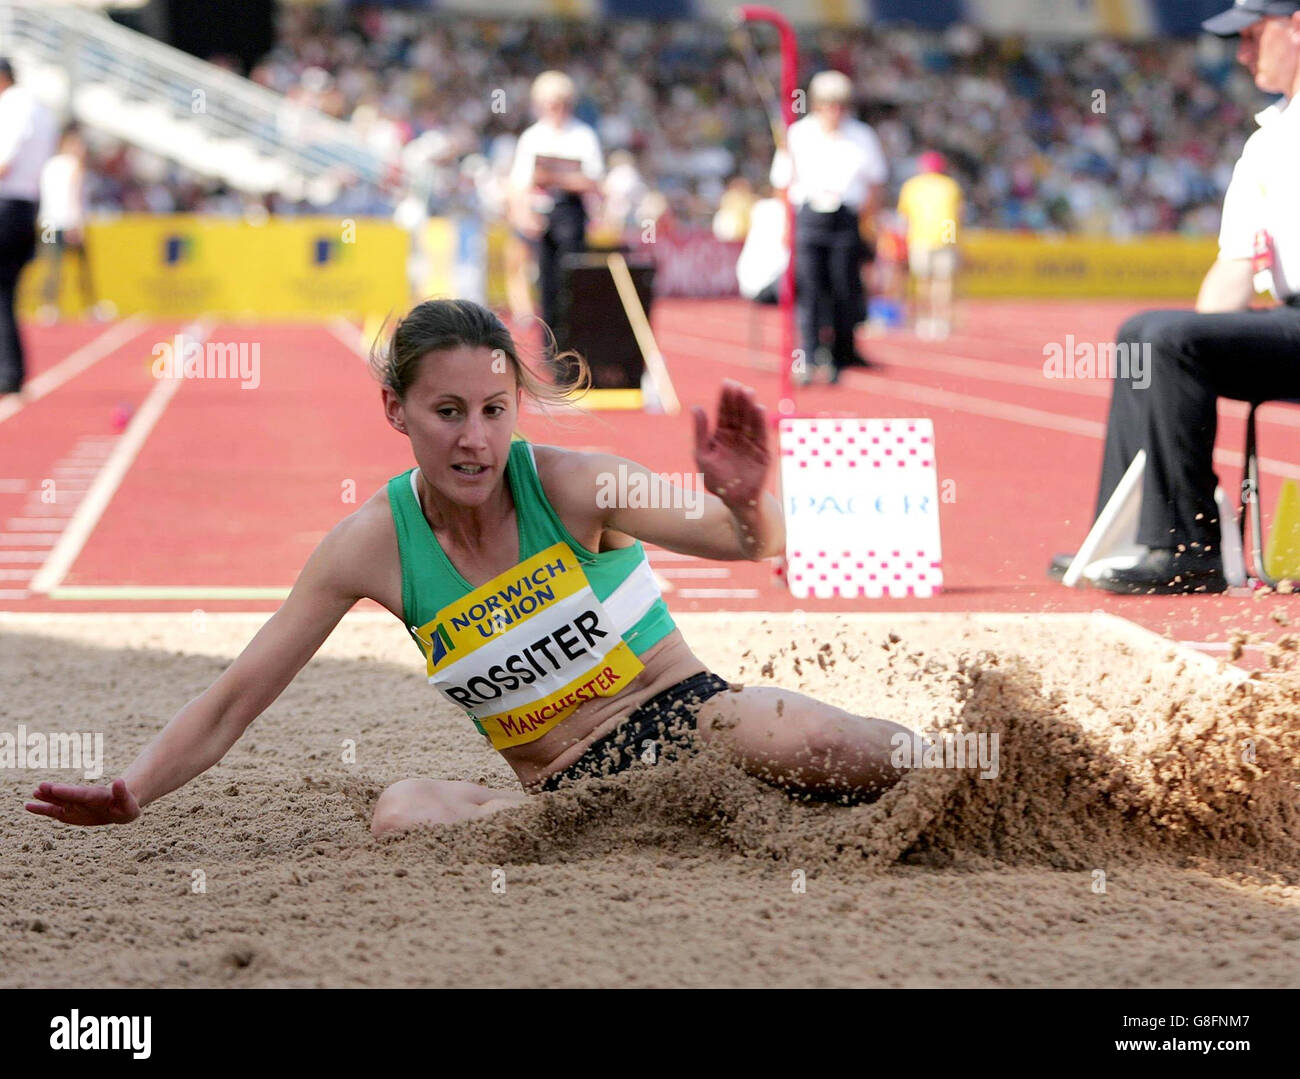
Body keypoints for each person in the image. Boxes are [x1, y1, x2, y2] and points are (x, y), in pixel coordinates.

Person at [25, 299, 913, 835]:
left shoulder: (575, 484)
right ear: (395, 409)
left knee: (813, 737)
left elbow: (753, 545)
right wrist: (132, 789)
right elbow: (235, 697)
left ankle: (973, 765)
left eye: (494, 408)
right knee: (403, 813)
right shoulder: (369, 546)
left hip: (691, 725)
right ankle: (667, 833)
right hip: (568, 800)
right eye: (446, 410)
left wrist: (750, 496)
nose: (475, 437)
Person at [1052, 2, 1300, 595]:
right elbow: (1234, 270)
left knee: (1169, 340)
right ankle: (1125, 539)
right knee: (1146, 334)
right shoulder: (1267, 141)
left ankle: (1187, 550)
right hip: (1292, 319)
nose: (1241, 53)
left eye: (1251, 35)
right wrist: (1193, 357)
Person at [771, 70, 886, 385]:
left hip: (846, 219)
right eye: (829, 104)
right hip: (809, 218)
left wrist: (867, 222)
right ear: (817, 105)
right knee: (809, 289)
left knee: (843, 288)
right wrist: (786, 225)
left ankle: (840, 354)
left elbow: (875, 183)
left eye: (841, 105)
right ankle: (808, 355)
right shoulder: (798, 135)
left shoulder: (862, 136)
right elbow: (782, 183)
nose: (835, 111)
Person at [507, 72, 604, 367]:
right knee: (548, 286)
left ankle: (576, 350)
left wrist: (552, 177)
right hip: (542, 218)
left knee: (574, 283)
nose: (554, 108)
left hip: (572, 217)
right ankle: (551, 353)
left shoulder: (583, 135)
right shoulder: (532, 137)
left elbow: (593, 180)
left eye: (559, 102)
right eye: (548, 102)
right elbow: (519, 184)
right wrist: (523, 215)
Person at [0, 58, 58, 396]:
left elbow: (4, 162)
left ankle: (9, 372)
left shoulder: (12, 107)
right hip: (26, 207)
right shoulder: (40, 109)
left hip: (6, 207)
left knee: (4, 294)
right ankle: (11, 371)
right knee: (6, 294)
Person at [897, 151, 962, 340]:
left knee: (924, 282)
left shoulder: (912, 186)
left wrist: (905, 240)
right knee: (943, 282)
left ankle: (925, 320)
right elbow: (955, 216)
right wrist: (952, 241)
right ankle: (941, 320)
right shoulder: (950, 186)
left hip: (920, 238)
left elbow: (905, 217)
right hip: (944, 238)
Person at [38, 124, 97, 323]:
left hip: (48, 222)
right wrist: (76, 223)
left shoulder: (48, 165)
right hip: (67, 222)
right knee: (81, 267)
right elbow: (74, 197)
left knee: (52, 265)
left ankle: (48, 308)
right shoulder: (74, 165)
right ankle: (90, 307)